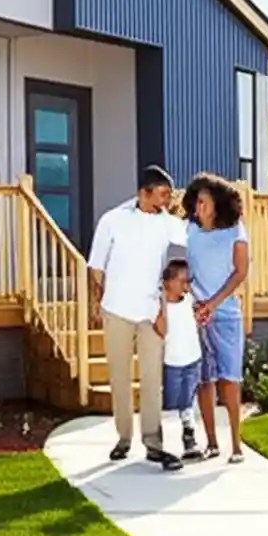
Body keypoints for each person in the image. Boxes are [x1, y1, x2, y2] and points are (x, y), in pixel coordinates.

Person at [87, 165, 188, 471]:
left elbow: (194, 243)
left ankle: (154, 444)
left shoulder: (169, 224)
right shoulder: (112, 220)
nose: (168, 201)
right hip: (116, 310)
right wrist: (96, 304)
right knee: (119, 377)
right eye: (162, 195)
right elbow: (96, 267)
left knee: (151, 379)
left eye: (169, 196)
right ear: (144, 193)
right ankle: (123, 438)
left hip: (150, 313)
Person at [183, 173, 250, 464]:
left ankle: (236, 444)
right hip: (195, 314)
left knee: (230, 379)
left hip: (225, 314)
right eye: (196, 202)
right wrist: (193, 302)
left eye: (204, 202)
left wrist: (214, 302)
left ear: (217, 204)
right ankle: (211, 443)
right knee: (204, 379)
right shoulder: (188, 231)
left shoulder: (235, 231)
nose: (199, 208)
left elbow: (240, 271)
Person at [154, 258, 205, 461]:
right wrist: (162, 307)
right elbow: (161, 330)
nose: (187, 285)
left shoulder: (190, 300)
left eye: (188, 281)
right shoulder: (160, 306)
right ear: (168, 282)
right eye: (183, 281)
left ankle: (189, 438)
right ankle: (161, 445)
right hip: (171, 362)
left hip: (192, 358)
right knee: (170, 403)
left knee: (188, 401)